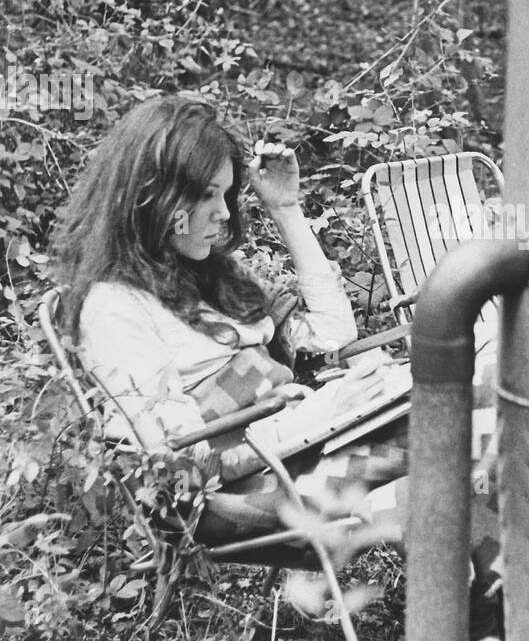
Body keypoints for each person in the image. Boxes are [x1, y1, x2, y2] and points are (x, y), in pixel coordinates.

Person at [52, 95, 499, 578]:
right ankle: (488, 602)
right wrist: (318, 414)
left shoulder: (197, 275)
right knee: (471, 421)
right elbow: (179, 467)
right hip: (250, 495)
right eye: (208, 195)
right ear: (155, 195)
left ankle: (489, 596)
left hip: (305, 450)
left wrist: (286, 210)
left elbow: (333, 336)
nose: (224, 213)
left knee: (493, 376)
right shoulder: (115, 307)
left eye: (226, 195)